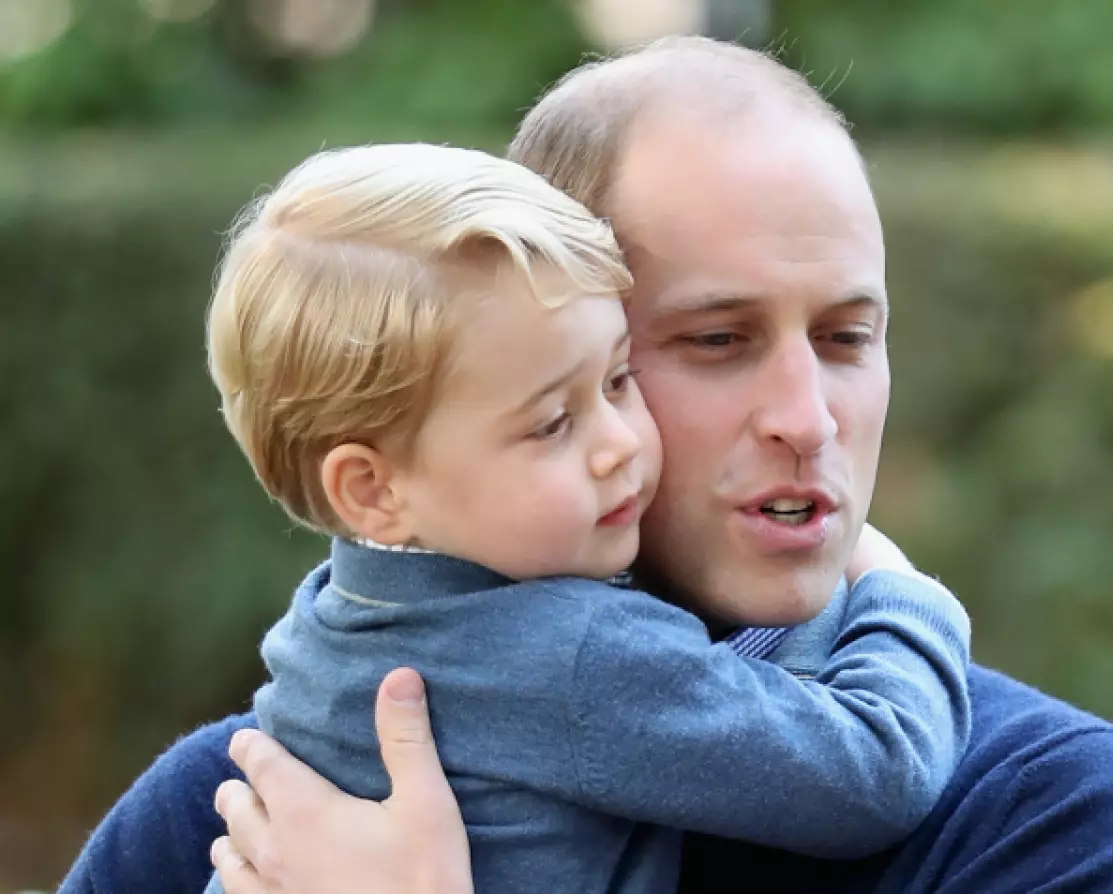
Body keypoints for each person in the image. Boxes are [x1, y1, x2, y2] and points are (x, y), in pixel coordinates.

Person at [60, 36, 1113, 894]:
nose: (809, 418)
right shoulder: (258, 807)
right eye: (715, 341)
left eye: (846, 338)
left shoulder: (1034, 812)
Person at [194, 140, 968, 894]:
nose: (620, 443)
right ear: (372, 491)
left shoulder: (326, 624)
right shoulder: (582, 652)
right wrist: (903, 594)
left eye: (620, 378)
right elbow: (874, 770)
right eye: (552, 425)